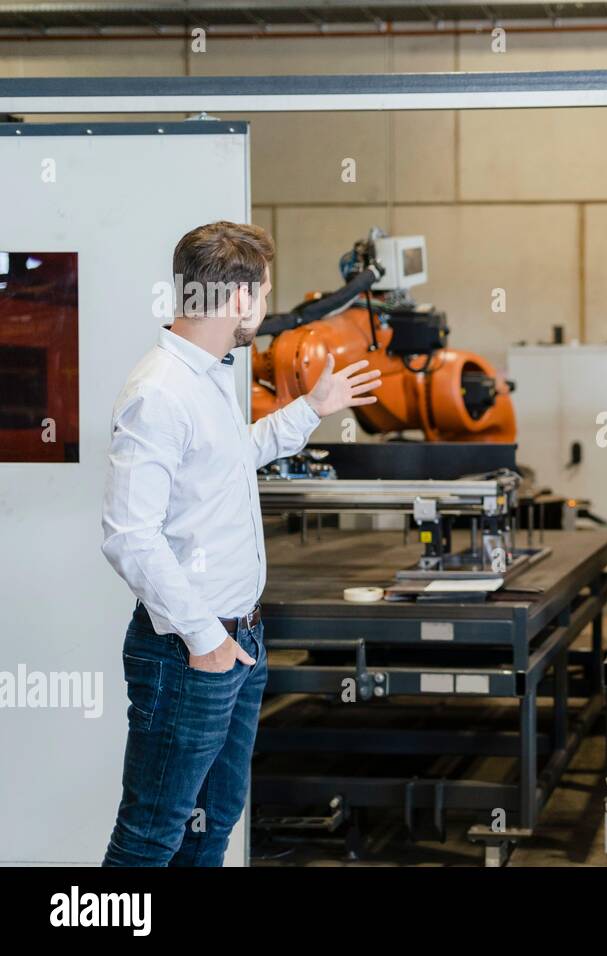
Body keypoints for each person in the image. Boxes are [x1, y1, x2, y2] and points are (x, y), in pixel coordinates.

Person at [101, 221, 381, 865]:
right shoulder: (159, 392)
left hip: (238, 641)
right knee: (150, 834)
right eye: (264, 291)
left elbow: (232, 458)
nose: (265, 303)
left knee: (212, 822)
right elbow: (129, 538)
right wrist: (206, 640)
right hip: (189, 651)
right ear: (239, 300)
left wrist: (312, 407)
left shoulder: (210, 374)